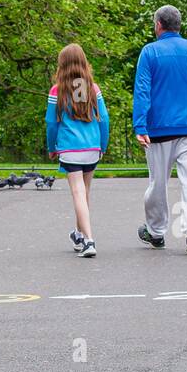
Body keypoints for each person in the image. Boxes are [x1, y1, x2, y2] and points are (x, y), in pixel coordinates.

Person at [132, 5, 187, 255]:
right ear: (178, 25)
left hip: (159, 130)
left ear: (158, 25)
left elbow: (142, 90)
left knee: (157, 183)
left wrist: (140, 124)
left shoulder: (149, 52)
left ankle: (156, 232)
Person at [46, 43, 110, 258]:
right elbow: (104, 119)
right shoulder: (93, 88)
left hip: (70, 147)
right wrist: (103, 145)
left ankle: (89, 241)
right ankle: (78, 233)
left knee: (77, 193)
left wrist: (51, 147)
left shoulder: (58, 90)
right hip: (92, 147)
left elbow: (51, 124)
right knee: (84, 193)